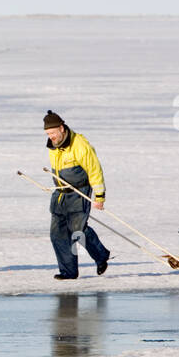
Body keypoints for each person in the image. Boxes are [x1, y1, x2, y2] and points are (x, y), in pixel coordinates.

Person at [44, 109, 110, 280]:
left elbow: (94, 170)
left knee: (77, 230)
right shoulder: (53, 145)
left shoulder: (79, 144)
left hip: (79, 192)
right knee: (57, 233)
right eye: (47, 133)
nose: (50, 136)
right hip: (60, 194)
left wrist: (100, 196)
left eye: (52, 132)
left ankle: (101, 255)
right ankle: (68, 272)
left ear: (61, 128)